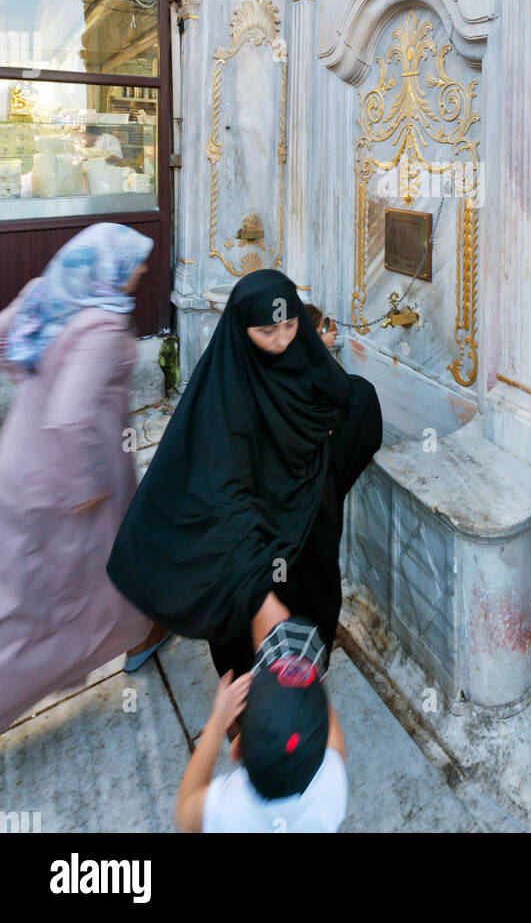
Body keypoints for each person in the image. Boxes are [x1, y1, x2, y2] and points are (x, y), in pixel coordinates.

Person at [107, 270, 382, 682]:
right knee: (249, 660)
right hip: (255, 540)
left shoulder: (304, 355)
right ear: (241, 329)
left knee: (309, 616)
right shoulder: (224, 392)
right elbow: (219, 489)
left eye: (291, 325)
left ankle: (300, 691)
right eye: (267, 331)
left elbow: (354, 399)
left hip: (308, 531)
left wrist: (321, 446)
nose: (283, 340)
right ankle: (243, 719)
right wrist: (255, 589)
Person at [0, 222, 163, 733]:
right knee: (61, 602)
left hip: (24, 464)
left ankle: (142, 633)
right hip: (68, 482)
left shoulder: (49, 292)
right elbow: (71, 418)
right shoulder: (100, 326)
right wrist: (89, 486)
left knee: (30, 593)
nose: (142, 270)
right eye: (135, 261)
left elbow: (7, 341)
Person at [175, 615, 347, 834]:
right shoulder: (331, 784)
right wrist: (309, 691)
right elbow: (336, 747)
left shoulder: (225, 808)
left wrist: (217, 723)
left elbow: (185, 811)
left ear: (236, 750)